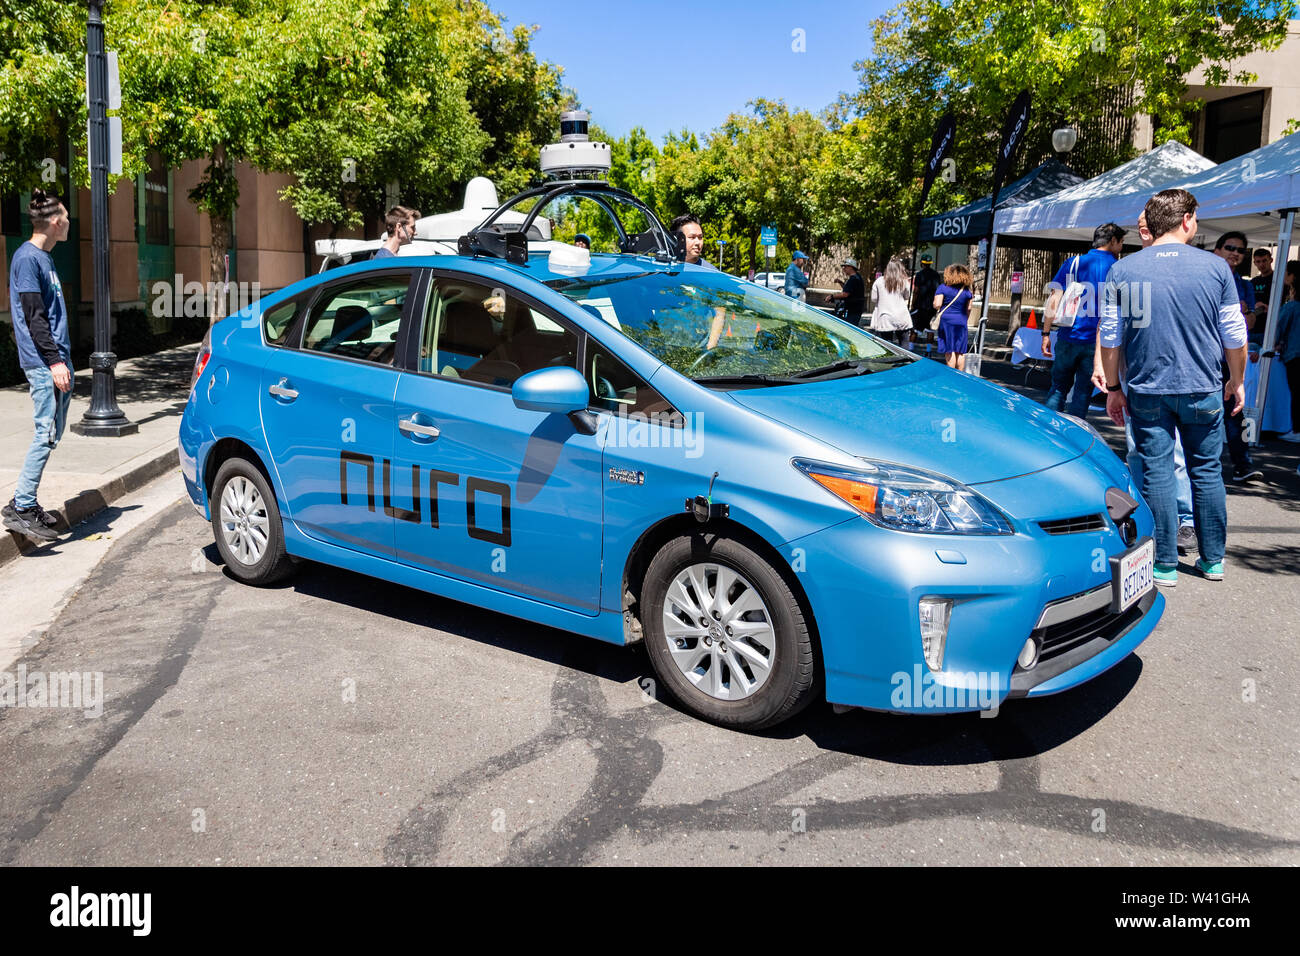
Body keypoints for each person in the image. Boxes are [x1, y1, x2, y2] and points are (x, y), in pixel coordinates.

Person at [1099, 188, 1248, 586]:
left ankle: (1164, 563)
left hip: (1147, 387)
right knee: (1206, 471)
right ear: (1186, 221)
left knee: (1159, 472)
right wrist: (1237, 380)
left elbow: (1111, 336)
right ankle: (1212, 559)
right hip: (1203, 386)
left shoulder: (1124, 270)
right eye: (1196, 218)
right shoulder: (1217, 269)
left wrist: (1114, 386)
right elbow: (1235, 334)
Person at [1092, 212, 1197, 555]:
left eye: (1147, 221)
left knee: (1176, 452)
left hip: (1174, 374)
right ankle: (1141, 515)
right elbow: (1109, 326)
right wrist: (1103, 369)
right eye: (1140, 222)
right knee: (1137, 448)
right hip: (1133, 374)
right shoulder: (1128, 269)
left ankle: (1183, 520)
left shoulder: (1181, 267)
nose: (1142, 225)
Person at [3, 191, 74, 543]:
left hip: (56, 360)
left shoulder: (44, 259)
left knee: (52, 434)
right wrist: (54, 361)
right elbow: (34, 317)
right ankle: (22, 505)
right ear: (56, 222)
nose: (69, 222)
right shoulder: (27, 259)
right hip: (46, 363)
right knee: (45, 433)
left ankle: (25, 502)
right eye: (66, 216)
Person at [1042, 223, 1125, 418]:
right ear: (1113, 241)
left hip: (1067, 335)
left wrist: (1046, 332)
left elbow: (1054, 298)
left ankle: (1046, 432)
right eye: (1121, 242)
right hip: (1098, 343)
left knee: (1058, 388)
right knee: (1082, 393)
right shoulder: (1119, 268)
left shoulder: (1073, 263)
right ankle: (1074, 436)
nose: (1121, 247)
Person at [1213, 231, 1263, 482]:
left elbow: (1251, 322)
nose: (1235, 253)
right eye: (1230, 247)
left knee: (1236, 415)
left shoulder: (1245, 285)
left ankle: (1243, 464)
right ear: (1217, 250)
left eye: (1240, 250)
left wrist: (1243, 313)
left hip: (1230, 361)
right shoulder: (1207, 278)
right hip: (1205, 358)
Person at [1266, 259, 1300, 442]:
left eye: (1286, 272)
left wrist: (1275, 344)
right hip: (1294, 351)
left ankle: (1297, 429)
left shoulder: (1292, 306)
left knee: (1296, 392)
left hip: (1294, 354)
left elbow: (1277, 330)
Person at [933, 263, 973, 371]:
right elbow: (969, 308)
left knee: (949, 350)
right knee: (960, 351)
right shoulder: (967, 291)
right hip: (961, 321)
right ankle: (960, 375)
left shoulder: (943, 288)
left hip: (947, 322)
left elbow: (937, 304)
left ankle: (951, 375)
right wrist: (964, 319)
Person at [870, 257, 913, 343]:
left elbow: (874, 299)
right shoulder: (904, 282)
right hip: (901, 316)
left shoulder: (879, 281)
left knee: (886, 345)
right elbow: (907, 296)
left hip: (884, 317)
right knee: (904, 343)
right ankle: (905, 356)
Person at [911, 253, 941, 343]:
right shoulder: (936, 275)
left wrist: (913, 304)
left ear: (921, 263)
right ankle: (928, 351)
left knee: (915, 328)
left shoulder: (919, 275)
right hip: (932, 306)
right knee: (930, 329)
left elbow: (916, 291)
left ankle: (910, 349)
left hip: (920, 306)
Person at [830, 258, 865, 324]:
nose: (843, 269)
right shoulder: (857, 277)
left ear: (850, 267)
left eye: (845, 267)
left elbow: (845, 294)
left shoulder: (853, 279)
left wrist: (832, 296)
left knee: (849, 329)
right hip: (855, 310)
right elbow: (849, 289)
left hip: (853, 310)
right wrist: (840, 282)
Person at [1250, 247, 1273, 340]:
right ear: (1254, 263)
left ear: (1271, 260)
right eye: (1258, 261)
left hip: (1270, 329)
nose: (1261, 264)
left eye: (1264, 260)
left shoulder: (1278, 280)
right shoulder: (1253, 282)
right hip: (1253, 329)